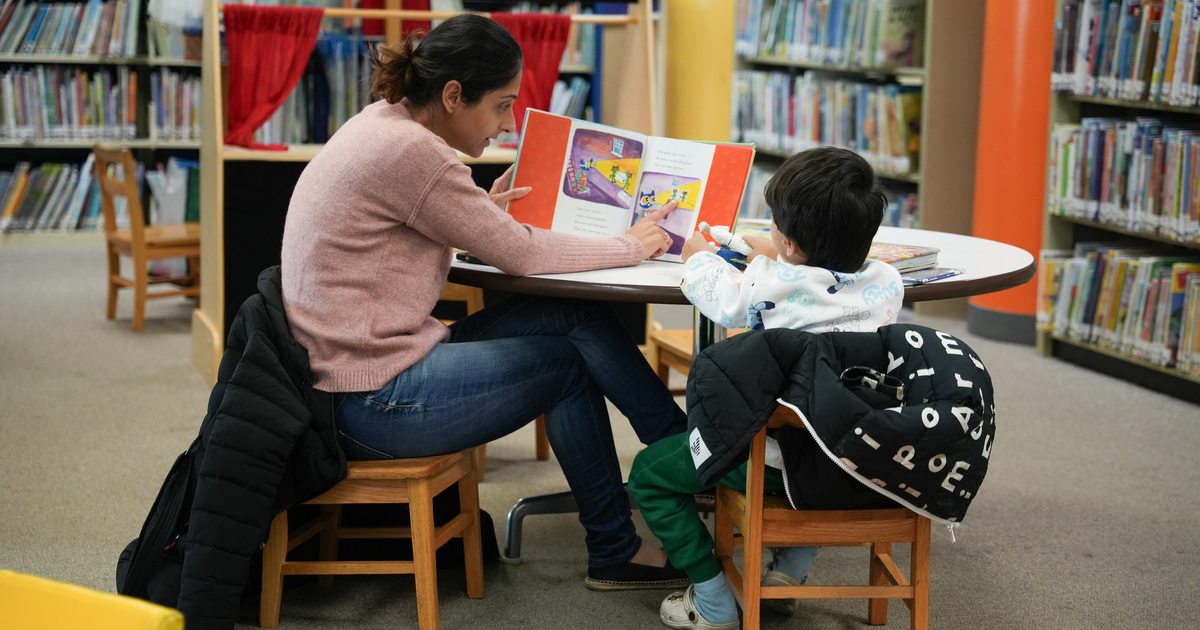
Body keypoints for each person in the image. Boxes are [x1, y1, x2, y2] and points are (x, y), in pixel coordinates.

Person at [280, 14, 691, 590]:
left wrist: (479, 219)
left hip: (353, 370)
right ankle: (621, 541)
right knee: (567, 367)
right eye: (501, 105)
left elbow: (389, 244)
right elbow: (520, 256)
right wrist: (632, 244)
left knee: (576, 315)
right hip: (368, 400)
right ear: (452, 96)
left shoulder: (381, 123)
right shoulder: (413, 153)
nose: (506, 124)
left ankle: (684, 454)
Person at [628, 147, 906, 629]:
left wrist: (698, 259)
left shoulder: (763, 284)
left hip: (775, 463)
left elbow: (721, 294)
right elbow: (818, 280)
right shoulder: (889, 281)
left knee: (649, 474)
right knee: (825, 434)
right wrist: (783, 252)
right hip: (852, 457)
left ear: (791, 244)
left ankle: (713, 599)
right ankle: (788, 576)